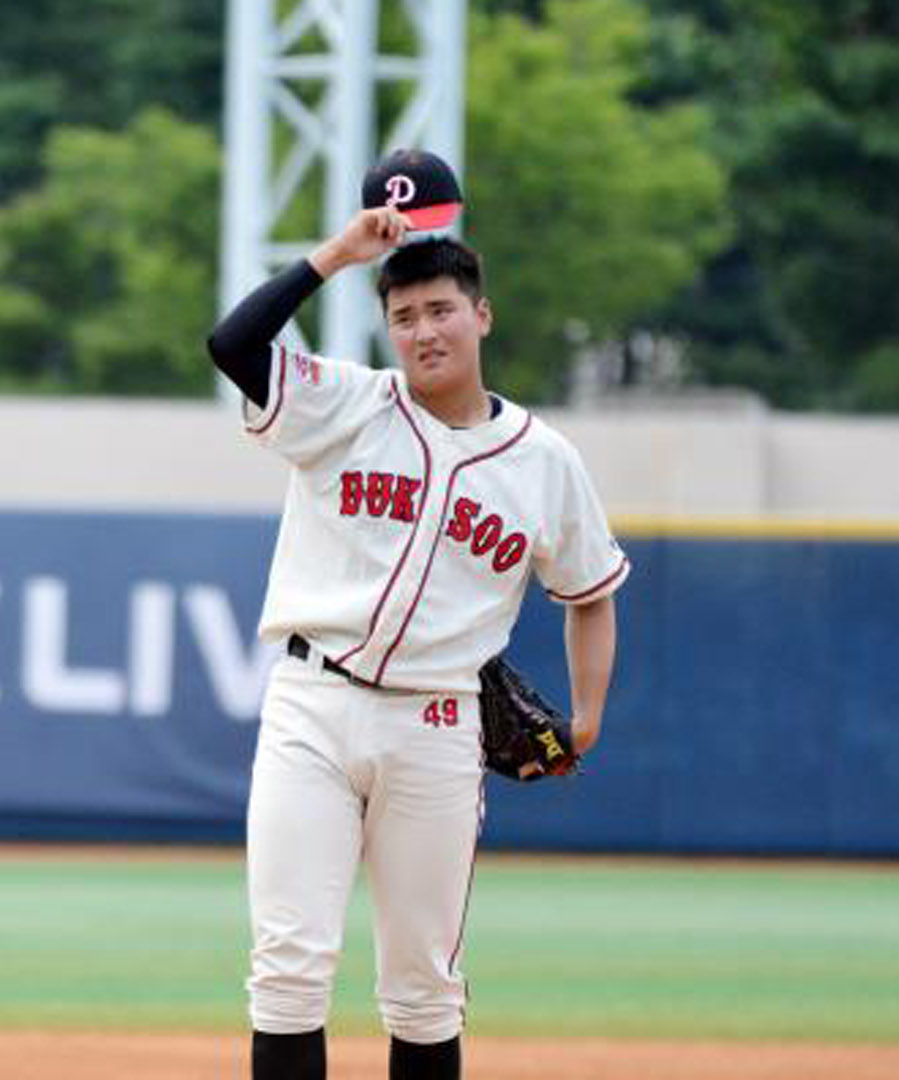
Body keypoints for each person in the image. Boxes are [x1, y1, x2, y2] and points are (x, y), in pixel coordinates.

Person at [206, 150, 626, 1080]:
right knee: (287, 972)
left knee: (424, 987)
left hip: (439, 722)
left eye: (441, 310)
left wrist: (587, 720)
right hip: (311, 707)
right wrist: (338, 255)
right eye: (404, 317)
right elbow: (234, 346)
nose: (424, 331)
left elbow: (590, 596)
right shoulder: (347, 404)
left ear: (482, 315)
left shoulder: (544, 461)